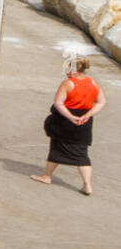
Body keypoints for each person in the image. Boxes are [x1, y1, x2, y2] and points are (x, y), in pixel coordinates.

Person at [32, 55, 106, 195]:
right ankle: (87, 185)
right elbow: (101, 102)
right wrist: (88, 115)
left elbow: (59, 103)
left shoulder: (68, 83)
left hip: (65, 120)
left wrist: (71, 117)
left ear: (74, 71)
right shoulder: (93, 83)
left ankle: (47, 176)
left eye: (68, 69)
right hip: (84, 121)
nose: (66, 72)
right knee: (81, 154)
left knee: (57, 147)